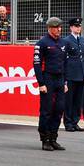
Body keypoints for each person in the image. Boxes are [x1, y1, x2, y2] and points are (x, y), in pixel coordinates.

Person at [34, 17, 68, 151]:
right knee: (46, 110)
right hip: (47, 79)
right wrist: (41, 83)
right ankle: (45, 139)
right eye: (56, 27)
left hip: (60, 79)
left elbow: (65, 63)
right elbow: (36, 64)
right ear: (49, 28)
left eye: (60, 27)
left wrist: (65, 81)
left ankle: (53, 138)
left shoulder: (63, 43)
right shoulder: (42, 43)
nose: (59, 29)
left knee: (59, 109)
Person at [61, 17, 84, 133]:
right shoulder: (66, 41)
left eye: (79, 26)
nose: (78, 28)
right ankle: (68, 122)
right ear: (71, 27)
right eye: (76, 26)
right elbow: (63, 60)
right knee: (69, 100)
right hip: (71, 74)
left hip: (81, 74)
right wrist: (65, 78)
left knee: (78, 100)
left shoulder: (83, 40)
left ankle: (75, 121)